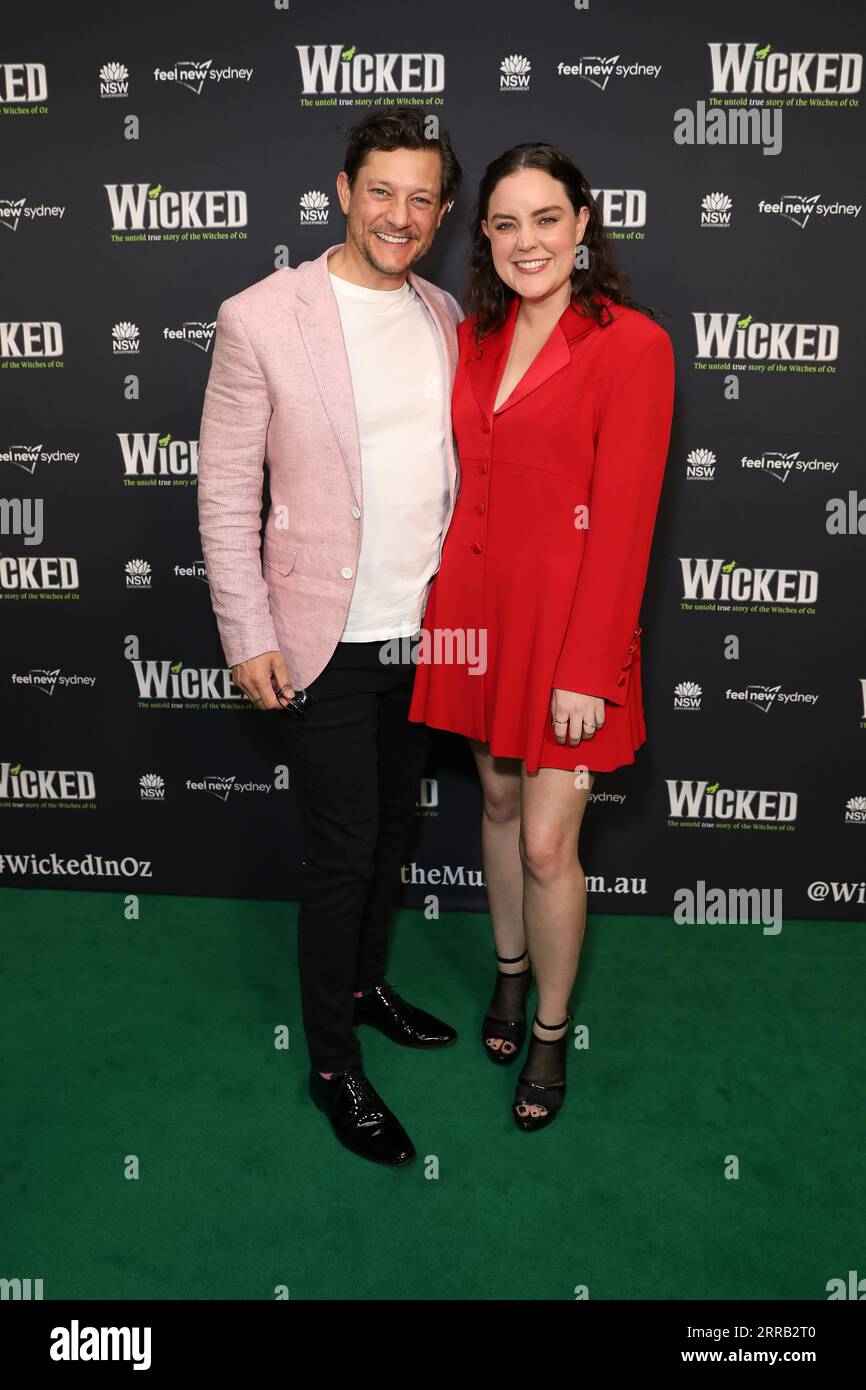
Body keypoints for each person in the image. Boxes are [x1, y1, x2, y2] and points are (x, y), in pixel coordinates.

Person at [197, 109, 465, 1167]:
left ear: (441, 215)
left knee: (397, 829)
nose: (398, 215)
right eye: (380, 191)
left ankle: (366, 984)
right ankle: (331, 1065)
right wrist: (243, 628)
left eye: (420, 198)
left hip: (428, 630)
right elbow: (225, 490)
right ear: (342, 191)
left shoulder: (445, 312)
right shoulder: (261, 316)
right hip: (318, 634)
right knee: (344, 852)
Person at [408, 143, 676, 1132]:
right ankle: (508, 977)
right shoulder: (470, 337)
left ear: (582, 223)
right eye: (505, 221)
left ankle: (552, 1032)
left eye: (545, 218)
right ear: (482, 233)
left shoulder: (630, 344)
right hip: (471, 614)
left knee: (548, 843)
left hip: (565, 626)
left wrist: (587, 669)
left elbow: (624, 523)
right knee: (492, 797)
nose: (527, 240)